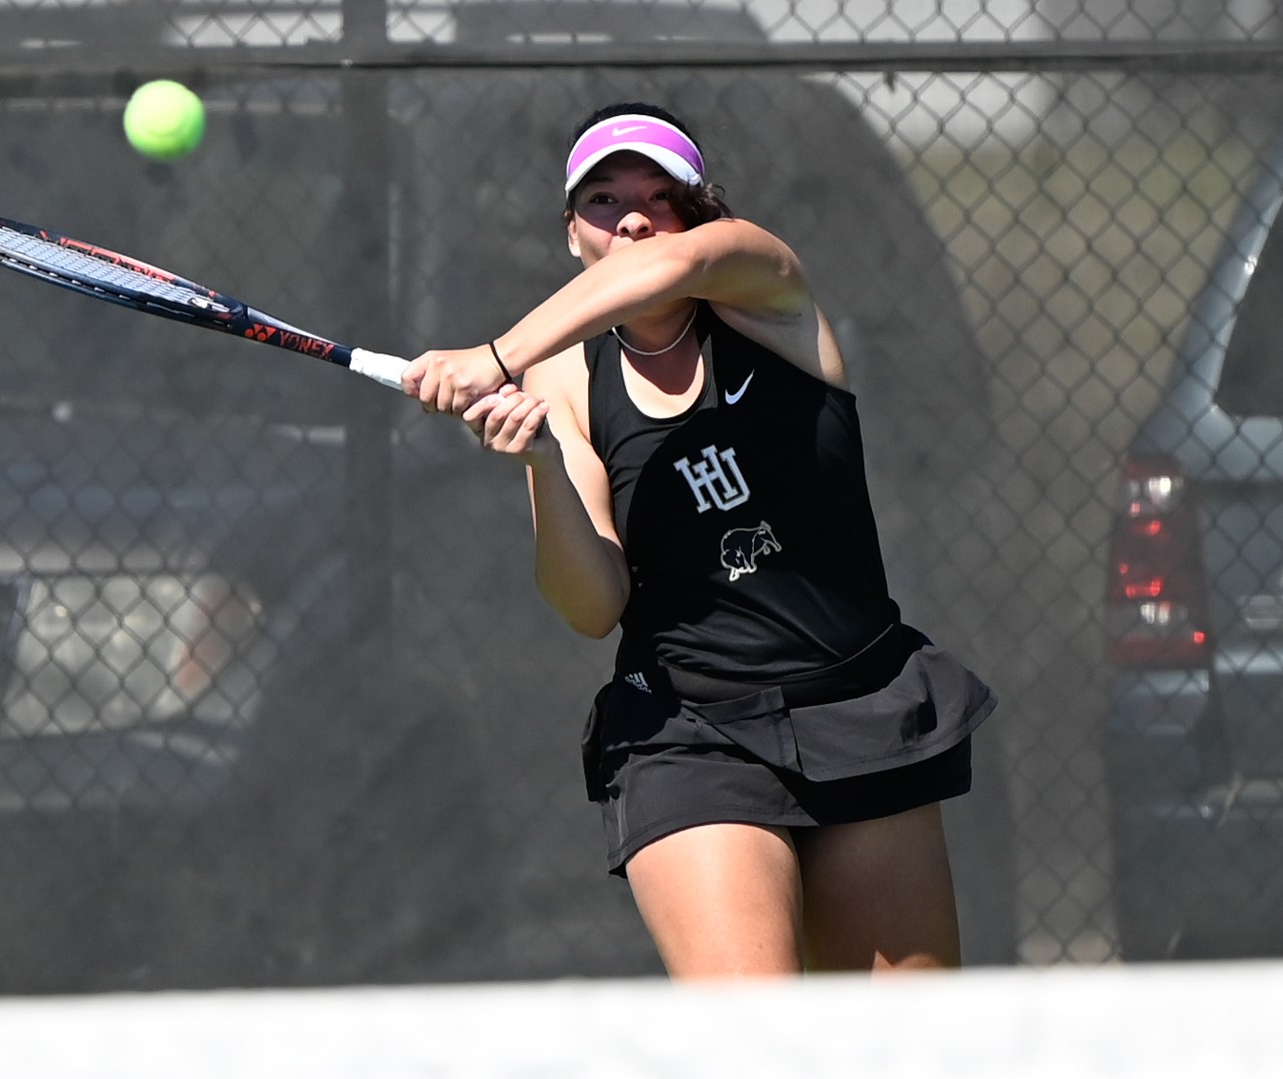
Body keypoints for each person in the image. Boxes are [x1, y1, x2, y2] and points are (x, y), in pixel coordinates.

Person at [401, 103, 997, 979]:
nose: (632, 216)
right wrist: (540, 462)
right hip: (687, 732)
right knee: (751, 1040)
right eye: (601, 200)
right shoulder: (562, 377)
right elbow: (592, 603)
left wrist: (492, 352)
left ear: (700, 213)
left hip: (860, 702)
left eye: (658, 194)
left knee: (901, 1049)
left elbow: (674, 266)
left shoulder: (767, 289)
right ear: (571, 236)